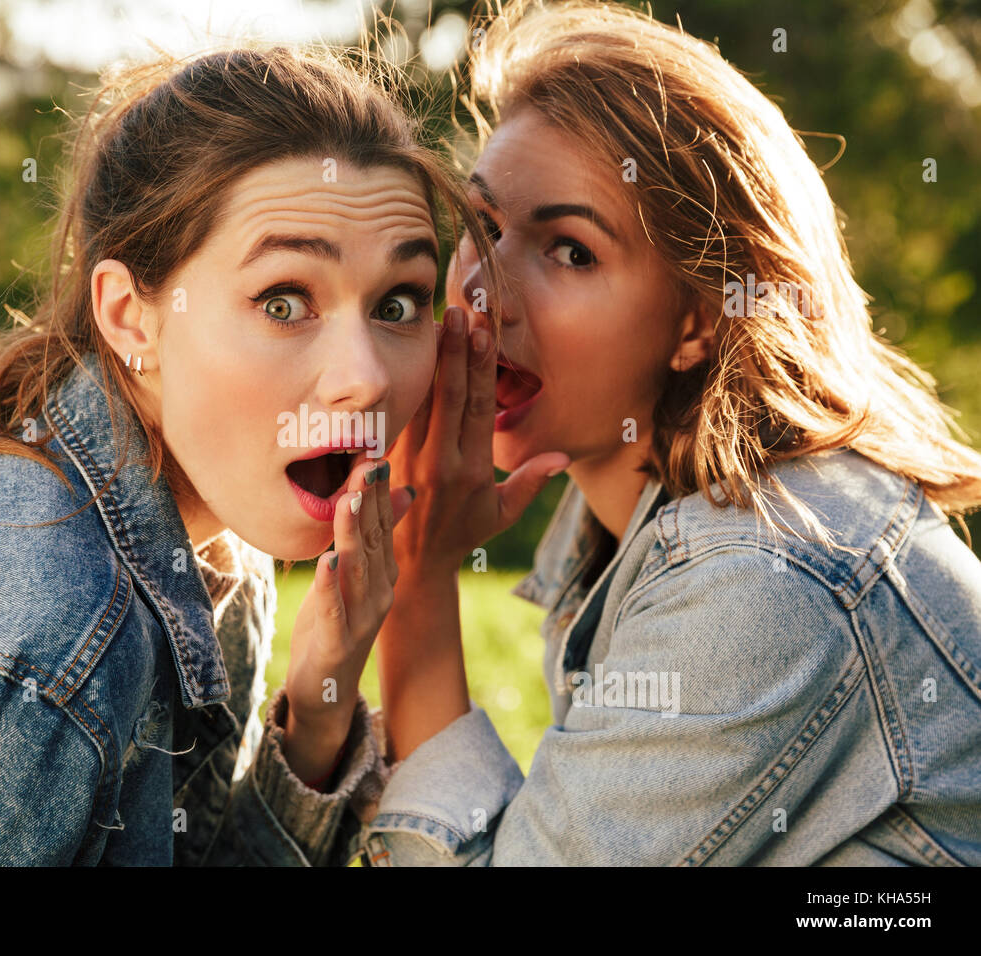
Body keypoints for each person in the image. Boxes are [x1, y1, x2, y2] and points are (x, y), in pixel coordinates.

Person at [0, 46, 497, 865]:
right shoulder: (45, 639)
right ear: (130, 316)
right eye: (283, 301)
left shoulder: (210, 552)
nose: (364, 379)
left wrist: (319, 707)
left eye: (397, 304)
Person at [359, 0, 981, 866]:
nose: (481, 292)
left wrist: (419, 580)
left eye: (570, 250)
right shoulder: (618, 523)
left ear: (699, 319)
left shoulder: (761, 576)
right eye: (484, 228)